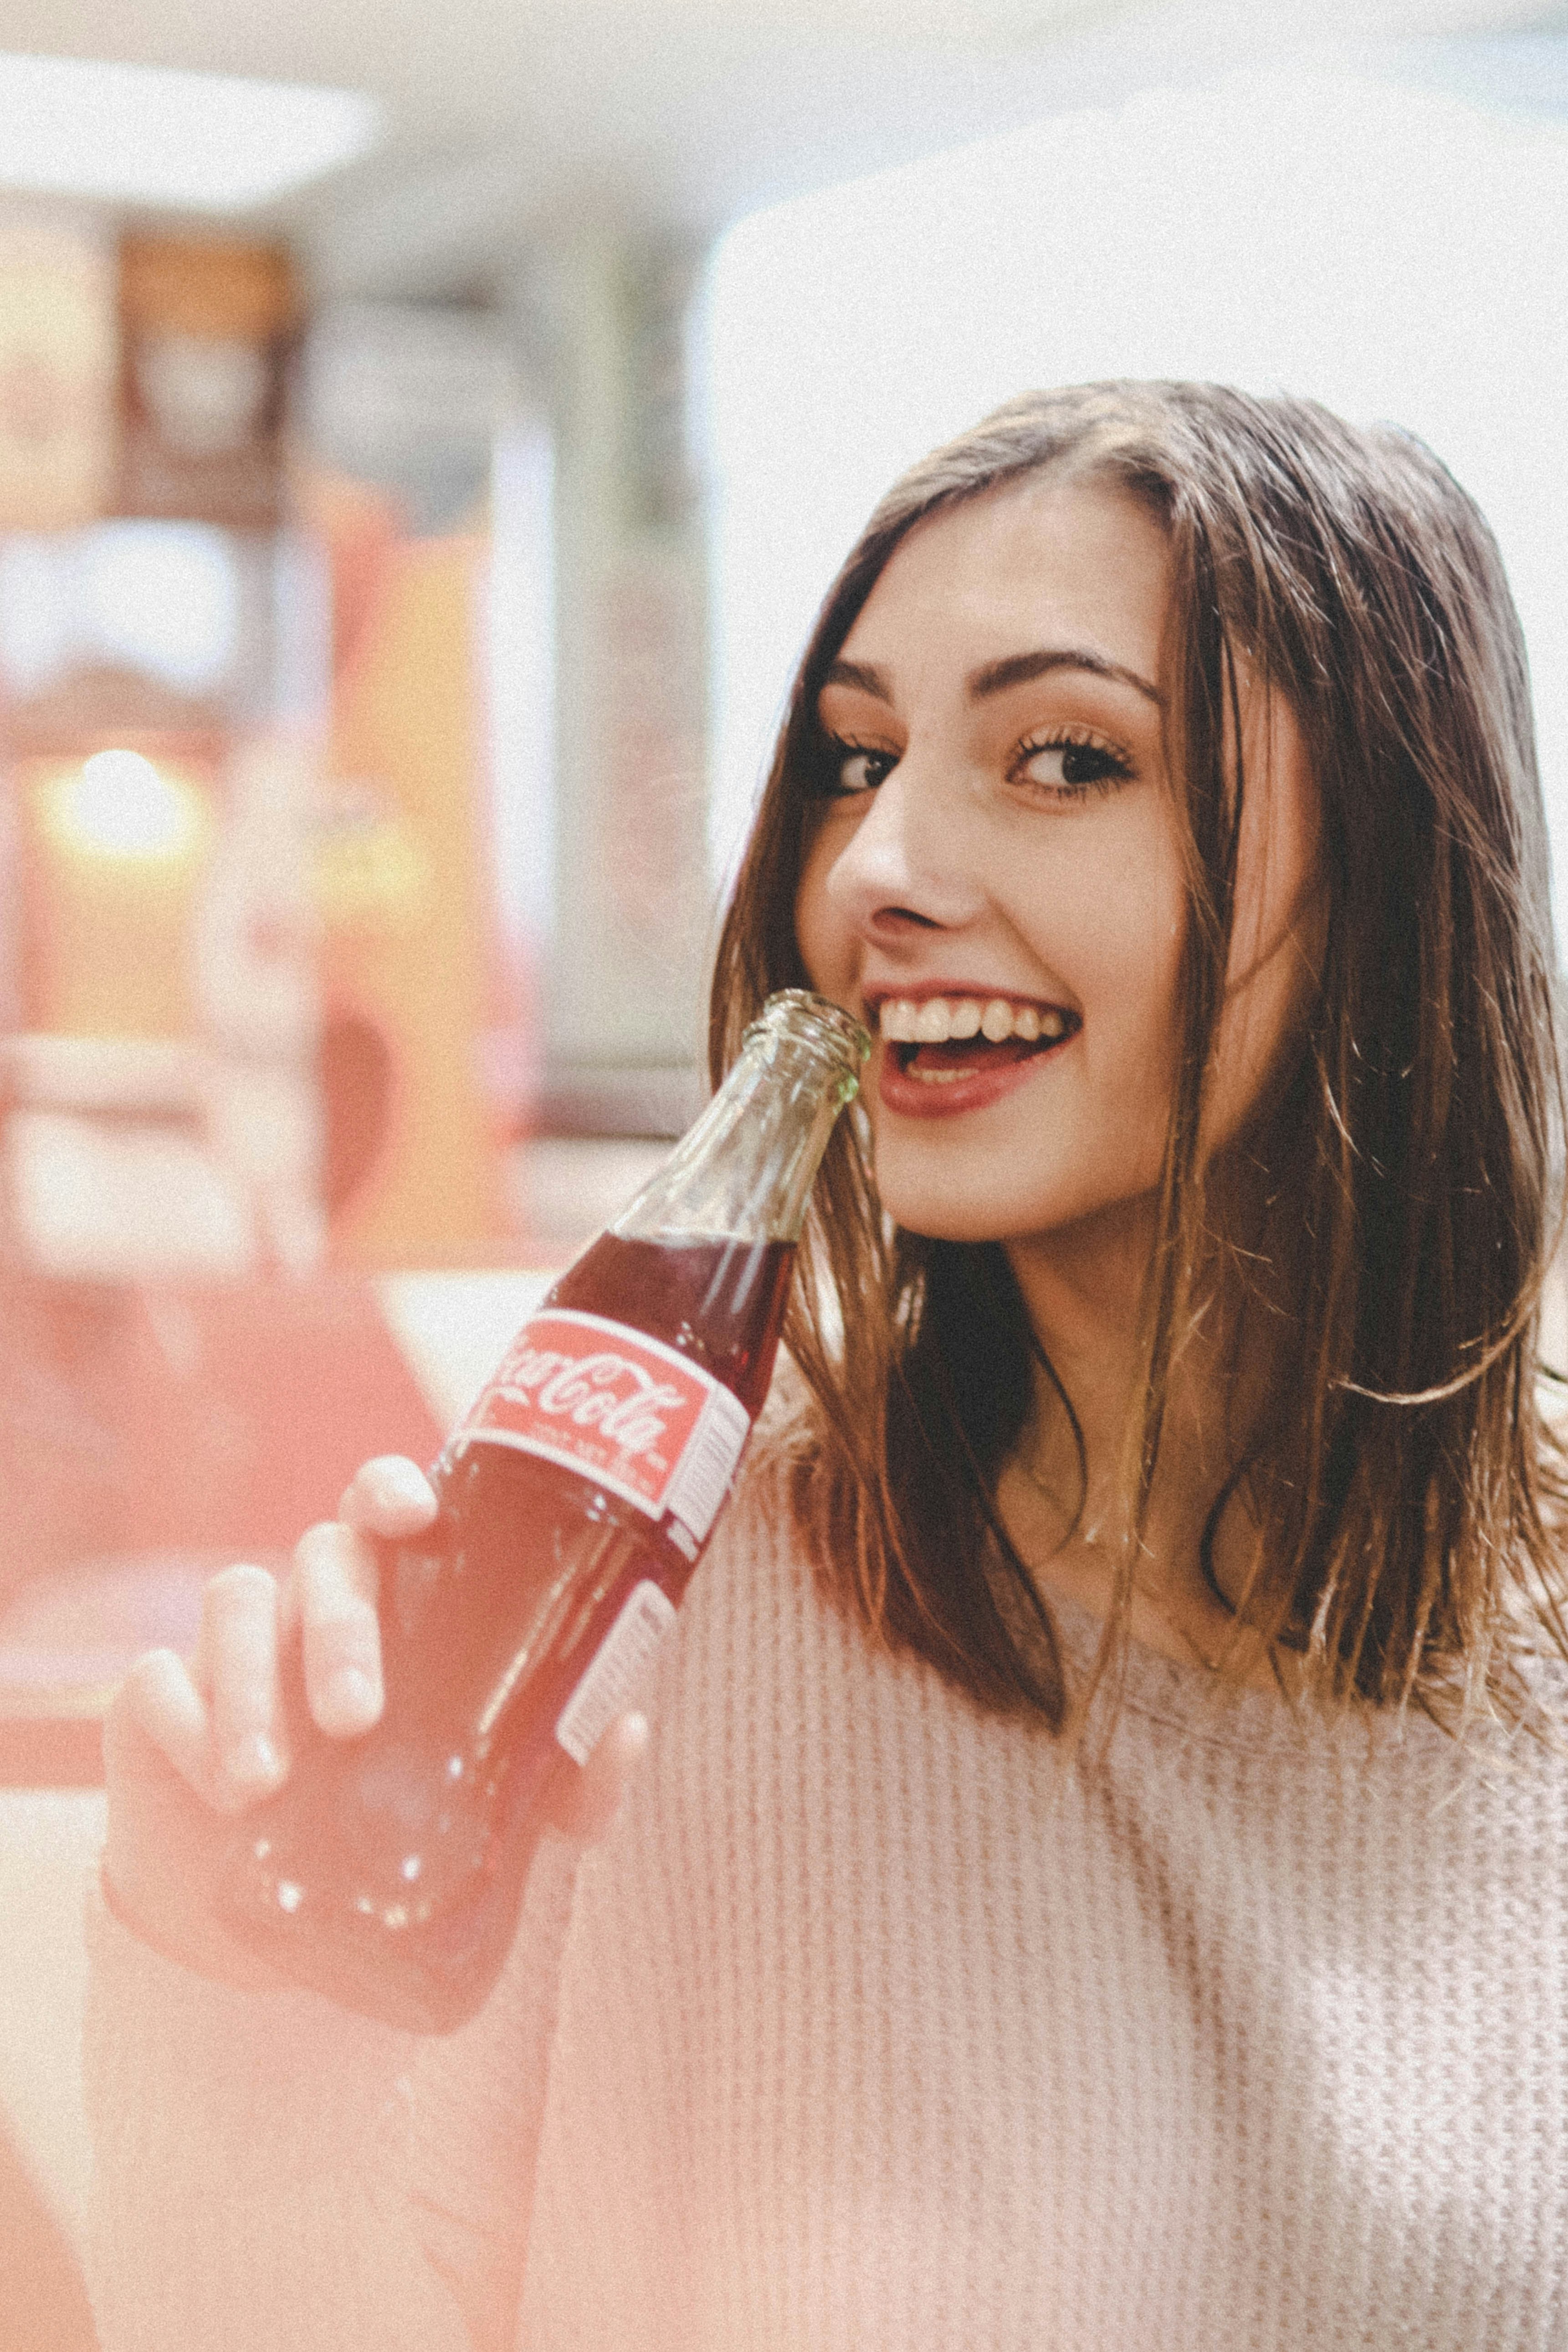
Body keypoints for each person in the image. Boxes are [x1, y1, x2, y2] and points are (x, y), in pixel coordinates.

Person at [85, 383, 1568, 2349]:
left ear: (1391, 860)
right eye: (857, 760)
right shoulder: (653, 1600)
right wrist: (229, 2013)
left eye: (1065, 757)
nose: (879, 867)